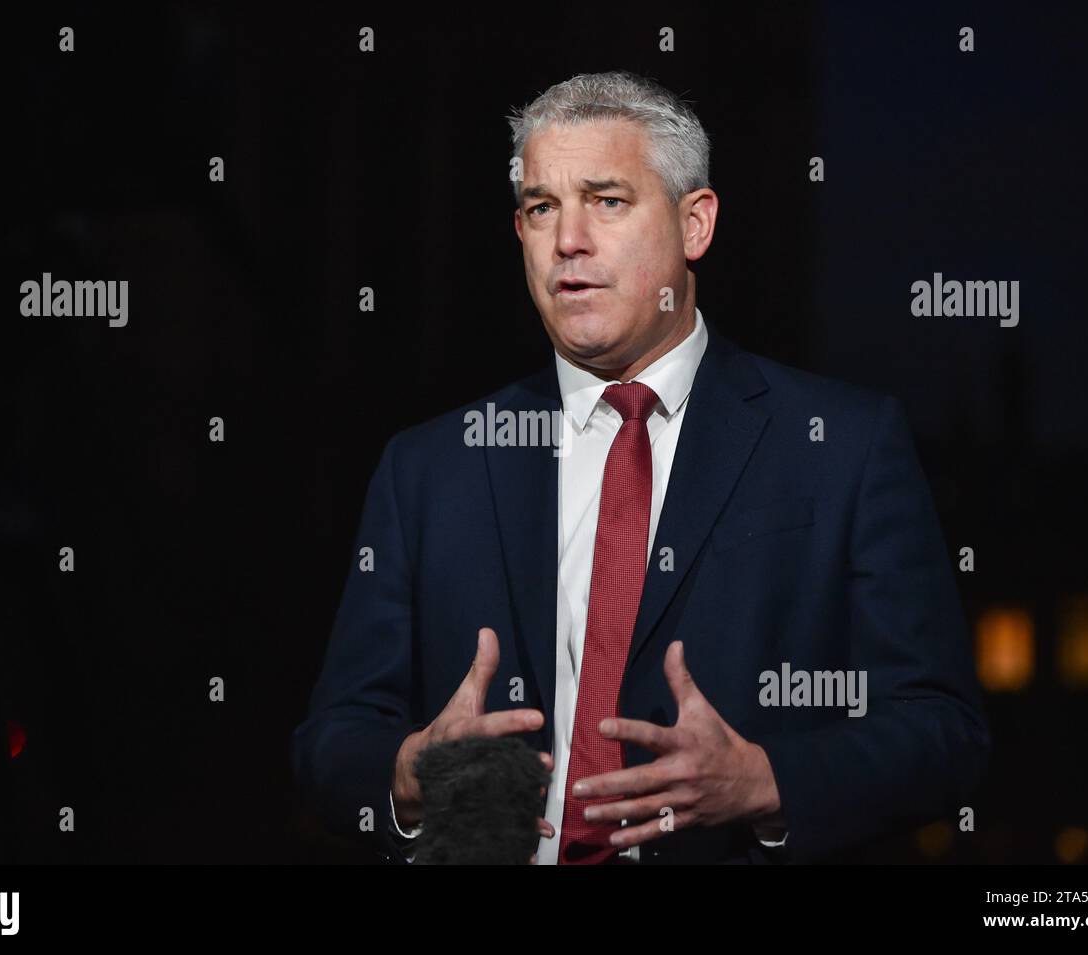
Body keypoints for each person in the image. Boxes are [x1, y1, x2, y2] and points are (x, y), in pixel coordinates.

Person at [292, 70, 990, 865]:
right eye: (541, 207)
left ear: (696, 225)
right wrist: (406, 773)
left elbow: (944, 733)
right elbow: (330, 742)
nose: (568, 241)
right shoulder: (428, 468)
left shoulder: (842, 445)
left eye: (608, 200)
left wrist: (766, 780)